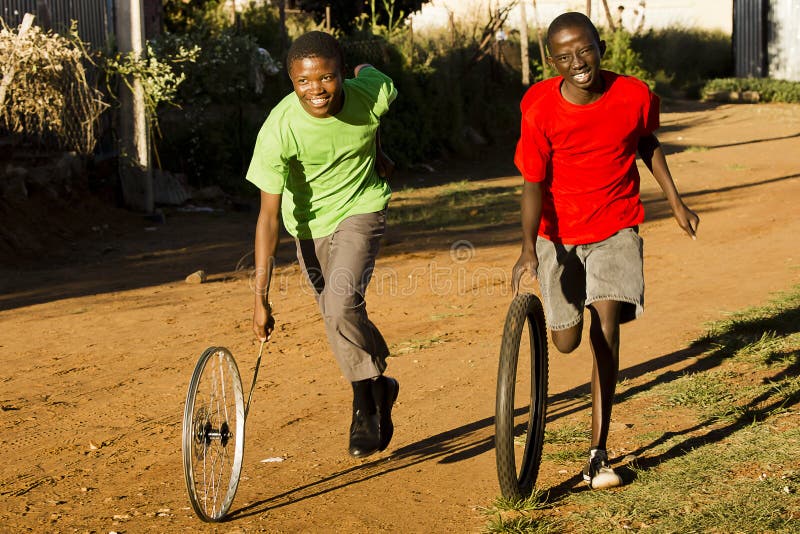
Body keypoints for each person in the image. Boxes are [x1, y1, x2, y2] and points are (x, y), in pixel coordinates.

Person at [511, 12, 699, 489]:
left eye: (585, 49)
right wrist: (528, 247)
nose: (578, 61)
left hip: (616, 226)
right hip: (558, 235)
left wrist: (675, 202)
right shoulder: (539, 108)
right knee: (566, 340)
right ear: (551, 62)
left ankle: (597, 453)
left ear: (601, 47)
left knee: (606, 326)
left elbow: (646, 142)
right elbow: (532, 182)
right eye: (565, 56)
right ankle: (564, 316)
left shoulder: (633, 95)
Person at [246, 31, 399, 459]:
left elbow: (373, 78)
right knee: (336, 315)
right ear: (291, 81)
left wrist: (377, 148)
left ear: (343, 74)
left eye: (327, 77)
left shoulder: (370, 92)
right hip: (308, 227)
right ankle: (379, 387)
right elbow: (267, 218)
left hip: (362, 207)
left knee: (340, 304)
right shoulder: (279, 129)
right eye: (303, 81)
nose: (316, 90)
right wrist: (260, 298)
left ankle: (365, 404)